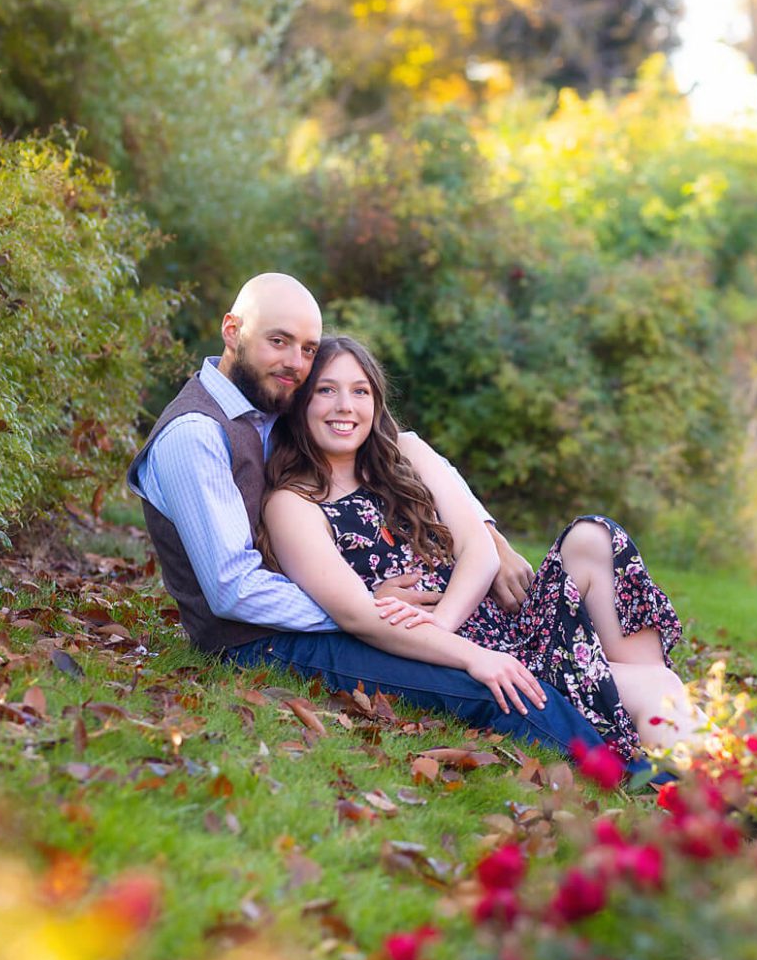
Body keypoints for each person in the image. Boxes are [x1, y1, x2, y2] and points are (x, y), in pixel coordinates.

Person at [126, 272, 612, 757]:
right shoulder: (195, 434)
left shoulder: (268, 397)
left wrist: (489, 536)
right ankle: (624, 774)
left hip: (335, 608)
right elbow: (233, 590)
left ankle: (627, 742)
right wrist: (361, 609)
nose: (296, 362)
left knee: (499, 654)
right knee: (476, 682)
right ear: (232, 331)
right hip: (258, 640)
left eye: (307, 348)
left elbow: (392, 440)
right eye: (279, 341)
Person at [260, 335, 701, 752]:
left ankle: (655, 726)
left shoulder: (405, 452)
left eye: (360, 391)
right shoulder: (293, 504)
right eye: (326, 391)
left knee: (595, 536)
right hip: (467, 652)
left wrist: (444, 620)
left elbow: (480, 549)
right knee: (658, 690)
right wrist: (467, 653)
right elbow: (358, 615)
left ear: (375, 401)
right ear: (301, 403)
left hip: (491, 620)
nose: (345, 407)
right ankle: (695, 779)